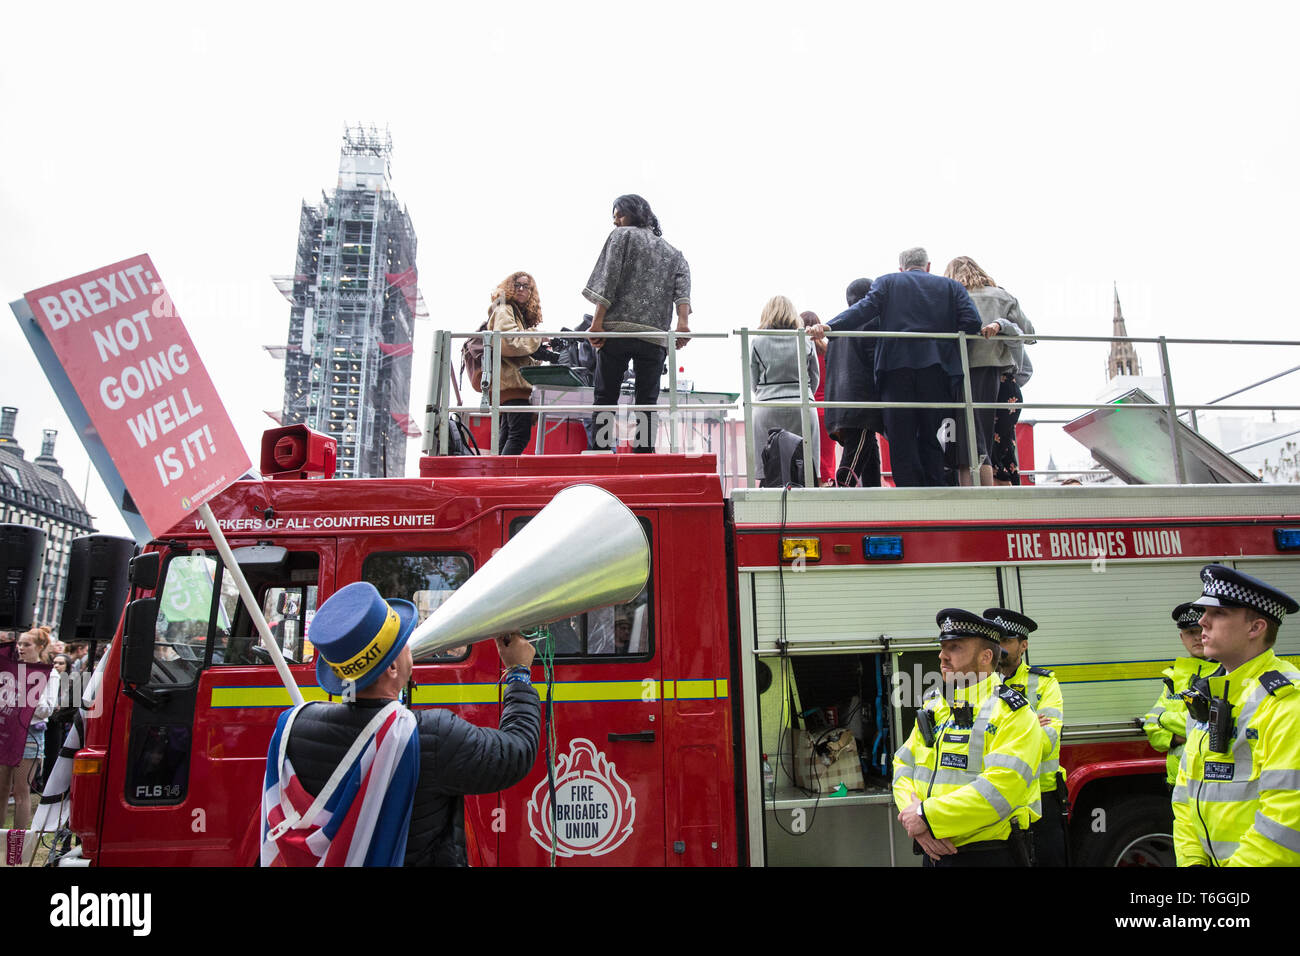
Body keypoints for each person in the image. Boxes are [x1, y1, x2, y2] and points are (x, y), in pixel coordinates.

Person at [261, 582, 540, 866]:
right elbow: (516, 753)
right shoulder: (433, 735)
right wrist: (518, 673)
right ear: (392, 667)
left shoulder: (292, 727)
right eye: (404, 641)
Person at [809, 247, 997, 487]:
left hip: (895, 369)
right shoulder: (951, 287)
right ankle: (934, 488)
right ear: (928, 266)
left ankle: (909, 491)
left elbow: (863, 310)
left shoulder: (887, 283)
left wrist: (829, 326)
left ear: (901, 268)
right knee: (932, 435)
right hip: (937, 370)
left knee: (901, 437)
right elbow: (972, 322)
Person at [1172, 565, 1300, 866]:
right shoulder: (1206, 695)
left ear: (1255, 628)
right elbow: (1183, 798)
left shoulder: (1287, 702)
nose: (1202, 621)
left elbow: (1286, 821)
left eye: (1219, 613)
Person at [893, 609, 1041, 866]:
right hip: (934, 850)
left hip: (987, 855)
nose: (942, 656)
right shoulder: (935, 706)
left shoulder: (1013, 713)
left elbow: (1001, 790)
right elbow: (903, 765)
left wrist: (926, 817)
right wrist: (917, 819)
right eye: (942, 647)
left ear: (986, 657)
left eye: (955, 647)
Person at [584, 194, 692, 453]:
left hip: (617, 331)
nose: (616, 222)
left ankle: (600, 450)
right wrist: (683, 323)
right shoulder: (672, 252)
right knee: (647, 400)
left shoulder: (622, 236)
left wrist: (597, 323)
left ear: (634, 212)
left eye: (619, 215)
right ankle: (643, 453)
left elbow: (609, 278)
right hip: (654, 335)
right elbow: (683, 284)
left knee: (606, 396)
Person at [943, 257, 1034, 487]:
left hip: (965, 375)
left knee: (972, 448)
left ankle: (978, 504)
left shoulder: (952, 298)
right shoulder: (1002, 296)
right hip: (1002, 379)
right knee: (997, 452)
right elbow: (1030, 335)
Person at [989, 607, 1068, 867]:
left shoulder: (1045, 684)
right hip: (998, 796)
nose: (1000, 648)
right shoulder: (983, 686)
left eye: (1007, 641)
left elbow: (1046, 744)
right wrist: (1030, 722)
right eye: (996, 640)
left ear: (1023, 645)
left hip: (1042, 799)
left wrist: (1006, 730)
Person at [1142, 602, 1217, 790]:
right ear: (1182, 637)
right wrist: (1176, 737)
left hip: (1212, 781)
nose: (1198, 637)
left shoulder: (1227, 672)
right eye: (1191, 632)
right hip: (1178, 781)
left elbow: (1214, 726)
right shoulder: (1174, 677)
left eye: (1201, 630)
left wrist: (1164, 719)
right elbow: (1151, 726)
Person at [750, 296, 820, 485]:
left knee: (769, 471)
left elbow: (753, 381)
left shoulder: (757, 341)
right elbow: (815, 377)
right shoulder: (805, 340)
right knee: (805, 470)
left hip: (767, 406)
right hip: (802, 405)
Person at [824, 278, 883, 487]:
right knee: (856, 454)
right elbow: (875, 361)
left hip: (838, 403)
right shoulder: (871, 323)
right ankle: (840, 492)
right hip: (860, 403)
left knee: (867, 445)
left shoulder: (837, 327)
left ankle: (873, 490)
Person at [0, 626, 57, 833]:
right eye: (20, 644)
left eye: (27, 644)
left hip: (30, 736)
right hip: (7, 734)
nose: (21, 648)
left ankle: (15, 849)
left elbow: (46, 710)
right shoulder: (12, 670)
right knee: (2, 789)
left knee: (21, 791)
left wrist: (26, 691)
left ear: (40, 647)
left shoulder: (50, 674)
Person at [486, 271, 546, 455]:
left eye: (526, 286)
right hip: (512, 382)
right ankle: (501, 477)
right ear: (509, 287)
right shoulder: (505, 309)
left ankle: (497, 474)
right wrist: (538, 338)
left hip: (509, 382)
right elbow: (509, 343)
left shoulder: (515, 312)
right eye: (517, 285)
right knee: (519, 435)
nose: (521, 289)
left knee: (507, 434)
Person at [799, 311, 837, 483]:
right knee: (827, 459)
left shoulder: (800, 350)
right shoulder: (829, 351)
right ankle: (828, 488)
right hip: (828, 412)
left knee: (806, 457)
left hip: (808, 409)